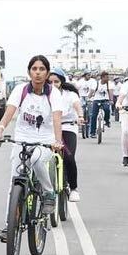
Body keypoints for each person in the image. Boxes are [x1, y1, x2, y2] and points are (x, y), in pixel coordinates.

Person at [0, 55, 65, 238]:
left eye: (42, 69)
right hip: (22, 139)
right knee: (14, 181)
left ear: (47, 73)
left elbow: (56, 118)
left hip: (44, 141)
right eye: (34, 69)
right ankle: (10, 225)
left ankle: (48, 193)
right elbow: (10, 112)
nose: (38, 73)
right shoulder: (20, 90)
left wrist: (57, 140)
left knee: (38, 161)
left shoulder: (53, 93)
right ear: (29, 71)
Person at [48, 68, 84, 201]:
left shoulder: (70, 94)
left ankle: (73, 188)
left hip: (68, 127)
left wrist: (80, 116)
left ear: (62, 82)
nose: (53, 85)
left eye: (56, 82)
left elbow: (77, 106)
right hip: (49, 129)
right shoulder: (42, 94)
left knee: (68, 157)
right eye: (50, 82)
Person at [87, 70, 115, 137]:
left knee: (107, 109)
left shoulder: (109, 83)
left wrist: (111, 100)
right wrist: (88, 98)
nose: (107, 79)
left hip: (105, 100)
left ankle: (107, 121)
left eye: (108, 77)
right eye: (106, 77)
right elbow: (92, 91)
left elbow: (110, 92)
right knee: (93, 116)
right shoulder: (96, 83)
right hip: (96, 100)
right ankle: (92, 132)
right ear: (102, 77)